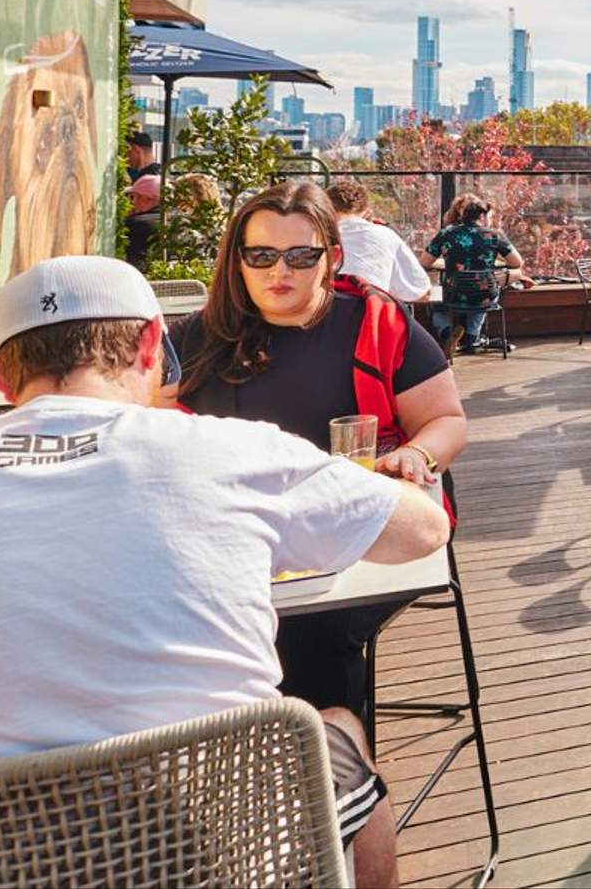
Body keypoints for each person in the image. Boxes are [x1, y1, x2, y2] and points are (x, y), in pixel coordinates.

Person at [0, 256, 449, 888]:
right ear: (153, 348)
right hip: (207, 866)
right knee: (336, 735)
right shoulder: (234, 454)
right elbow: (424, 530)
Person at [174, 181, 469, 726]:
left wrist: (417, 456)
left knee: (310, 631)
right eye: (260, 255)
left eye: (300, 256)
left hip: (368, 525)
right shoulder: (201, 336)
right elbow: (147, 419)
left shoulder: (377, 323)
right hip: (245, 537)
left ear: (331, 257)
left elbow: (445, 420)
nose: (278, 271)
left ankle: (331, 780)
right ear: (237, 259)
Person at [425, 195, 524, 353]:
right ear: (482, 215)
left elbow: (425, 263)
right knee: (484, 292)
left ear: (462, 214)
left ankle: (446, 333)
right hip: (484, 294)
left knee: (433, 294)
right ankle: (472, 337)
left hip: (453, 293)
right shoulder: (494, 235)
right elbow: (517, 263)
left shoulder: (446, 233)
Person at [329, 181, 431, 307]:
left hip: (322, 319)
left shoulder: (315, 236)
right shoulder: (386, 235)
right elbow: (421, 292)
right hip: (371, 317)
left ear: (326, 209)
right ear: (366, 210)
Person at [123, 171, 162, 269]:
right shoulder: (181, 223)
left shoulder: (134, 225)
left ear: (147, 199)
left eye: (133, 197)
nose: (131, 203)